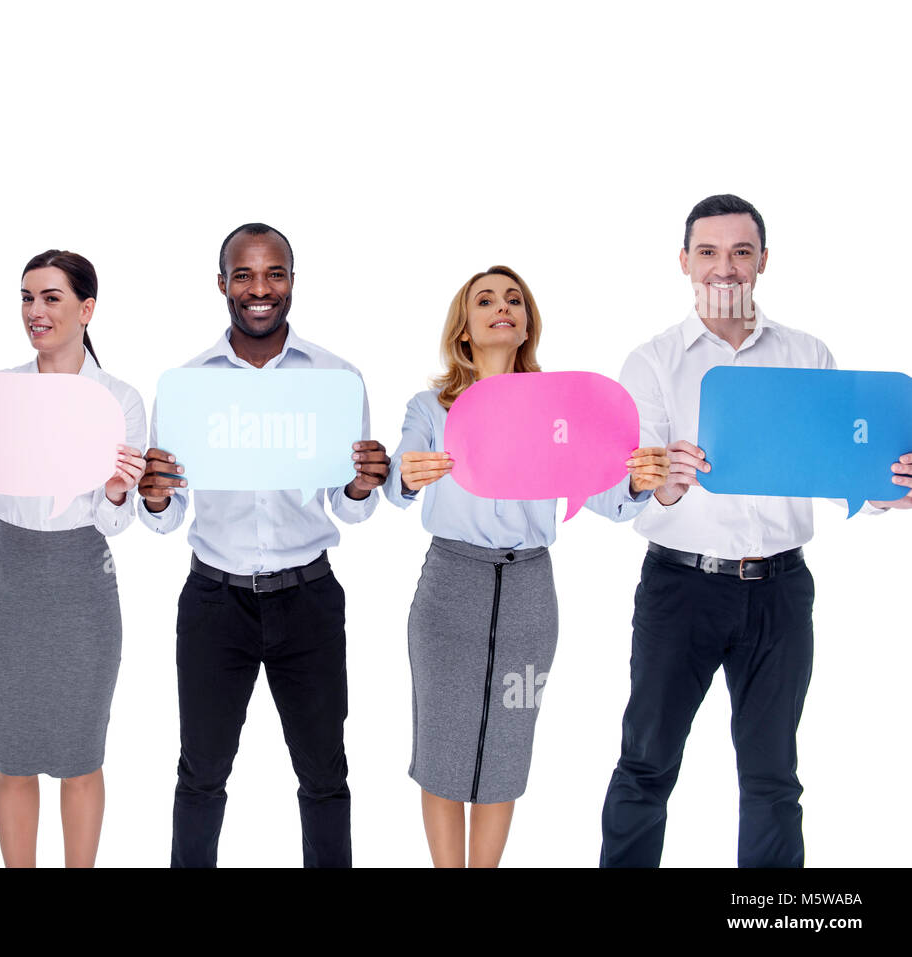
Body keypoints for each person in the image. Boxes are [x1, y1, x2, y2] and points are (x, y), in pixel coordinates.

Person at [599, 194, 912, 868]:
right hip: (681, 586)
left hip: (779, 589)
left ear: (763, 261)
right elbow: (626, 482)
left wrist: (892, 485)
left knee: (773, 777)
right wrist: (665, 479)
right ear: (685, 262)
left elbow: (838, 465)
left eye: (741, 252)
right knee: (647, 761)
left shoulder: (809, 352)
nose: (725, 268)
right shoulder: (652, 361)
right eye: (709, 252)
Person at [385, 265, 669, 867]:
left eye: (514, 299)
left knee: (507, 744)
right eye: (484, 300)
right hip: (449, 586)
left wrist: (641, 484)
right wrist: (405, 475)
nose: (501, 307)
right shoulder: (431, 408)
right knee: (443, 745)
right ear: (464, 328)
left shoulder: (559, 409)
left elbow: (610, 499)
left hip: (529, 590)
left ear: (526, 325)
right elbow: (398, 479)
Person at [137, 222, 389, 868]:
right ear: (222, 284)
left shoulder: (337, 378)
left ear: (292, 284)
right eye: (244, 274)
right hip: (214, 602)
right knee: (201, 774)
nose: (259, 288)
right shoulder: (186, 385)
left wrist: (362, 487)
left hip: (307, 597)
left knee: (325, 775)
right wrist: (157, 496)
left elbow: (349, 510)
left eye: (274, 273)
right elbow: (165, 519)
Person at [0, 250, 145, 868]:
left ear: (86, 309)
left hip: (82, 583)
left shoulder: (119, 401)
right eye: (26, 297)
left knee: (81, 753)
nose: (34, 311)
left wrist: (119, 490)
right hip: (9, 579)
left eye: (50, 298)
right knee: (11, 752)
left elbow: (115, 523)